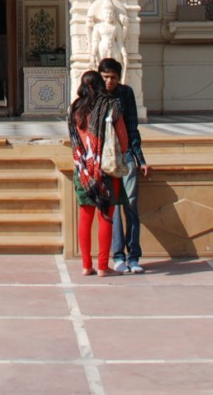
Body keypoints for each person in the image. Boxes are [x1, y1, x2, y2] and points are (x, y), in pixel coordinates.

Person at [68, 70, 127, 276]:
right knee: (106, 216)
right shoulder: (111, 106)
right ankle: (103, 266)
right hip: (105, 170)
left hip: (83, 169)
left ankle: (86, 265)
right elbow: (123, 140)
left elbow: (74, 138)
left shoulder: (75, 109)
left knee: (85, 216)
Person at [99, 57, 149, 274]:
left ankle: (134, 255)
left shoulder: (126, 93)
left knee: (130, 204)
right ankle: (118, 255)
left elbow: (132, 127)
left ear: (119, 78)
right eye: (105, 77)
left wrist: (141, 159)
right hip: (106, 158)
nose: (109, 82)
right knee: (115, 206)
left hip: (126, 154)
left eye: (112, 78)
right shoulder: (97, 95)